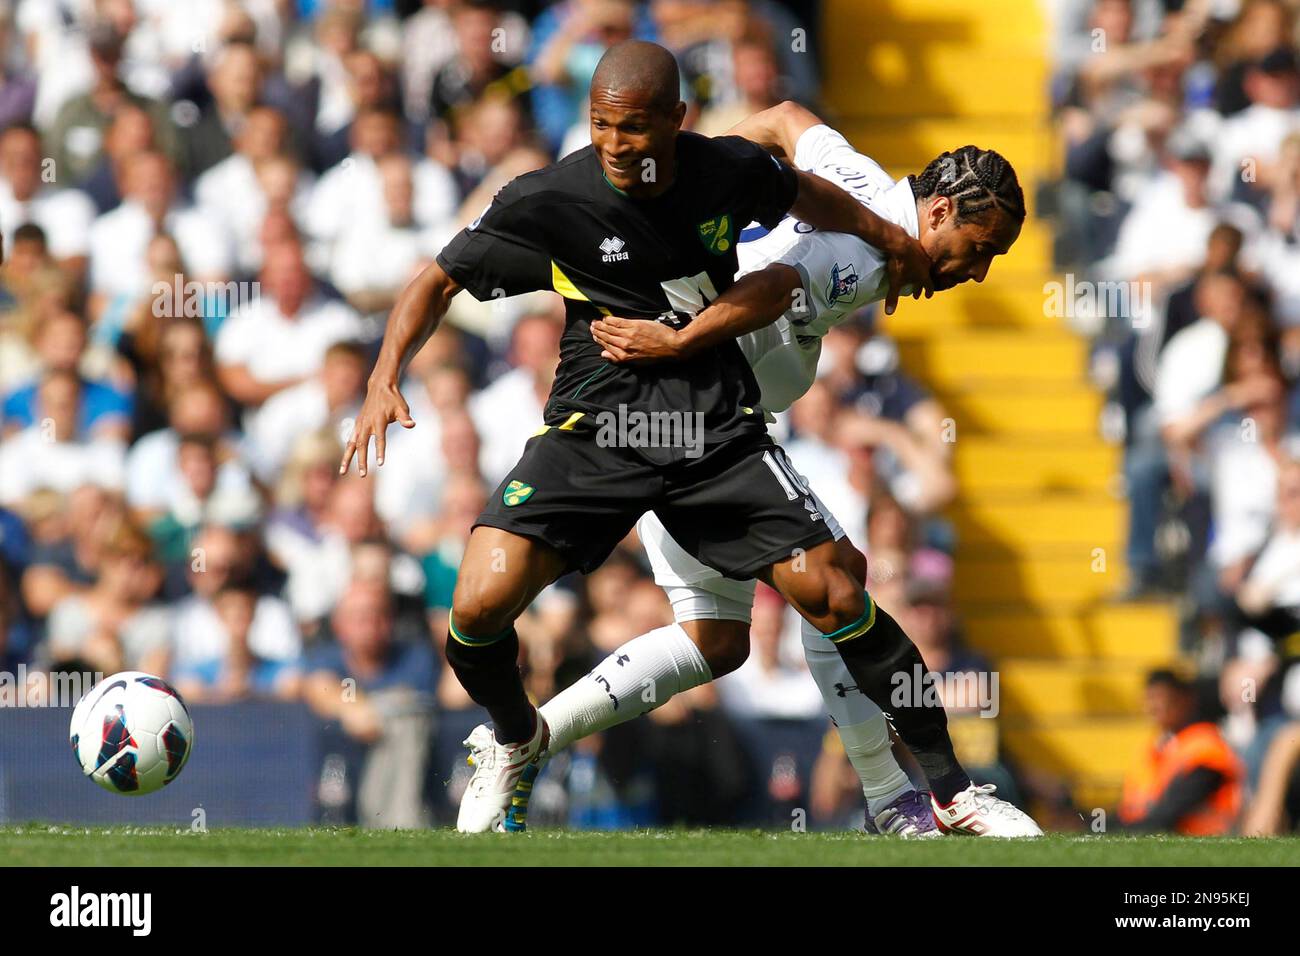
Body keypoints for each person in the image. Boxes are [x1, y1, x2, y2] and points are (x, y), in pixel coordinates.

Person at [341, 40, 934, 834]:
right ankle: (516, 740)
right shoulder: (551, 198)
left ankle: (916, 795)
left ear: (676, 121)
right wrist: (386, 374)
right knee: (477, 611)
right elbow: (437, 275)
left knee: (785, 612)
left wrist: (889, 238)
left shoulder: (723, 170)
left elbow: (805, 191)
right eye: (601, 126)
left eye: (634, 128)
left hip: (713, 429)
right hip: (599, 428)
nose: (616, 144)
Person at [527, 99, 1041, 837]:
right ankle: (907, 796)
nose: (980, 272)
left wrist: (709, 175)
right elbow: (777, 286)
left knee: (717, 638)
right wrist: (682, 341)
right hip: (703, 428)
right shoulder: (864, 253)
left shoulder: (856, 178)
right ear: (939, 210)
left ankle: (523, 741)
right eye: (979, 246)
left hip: (701, 420)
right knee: (837, 580)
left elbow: (784, 115)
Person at [1119, 669, 1244, 834]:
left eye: (1161, 698)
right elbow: (1132, 808)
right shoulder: (1155, 748)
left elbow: (1169, 813)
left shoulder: (1205, 745)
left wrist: (1108, 829)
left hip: (1204, 843)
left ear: (1185, 700)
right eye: (1150, 698)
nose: (1154, 706)